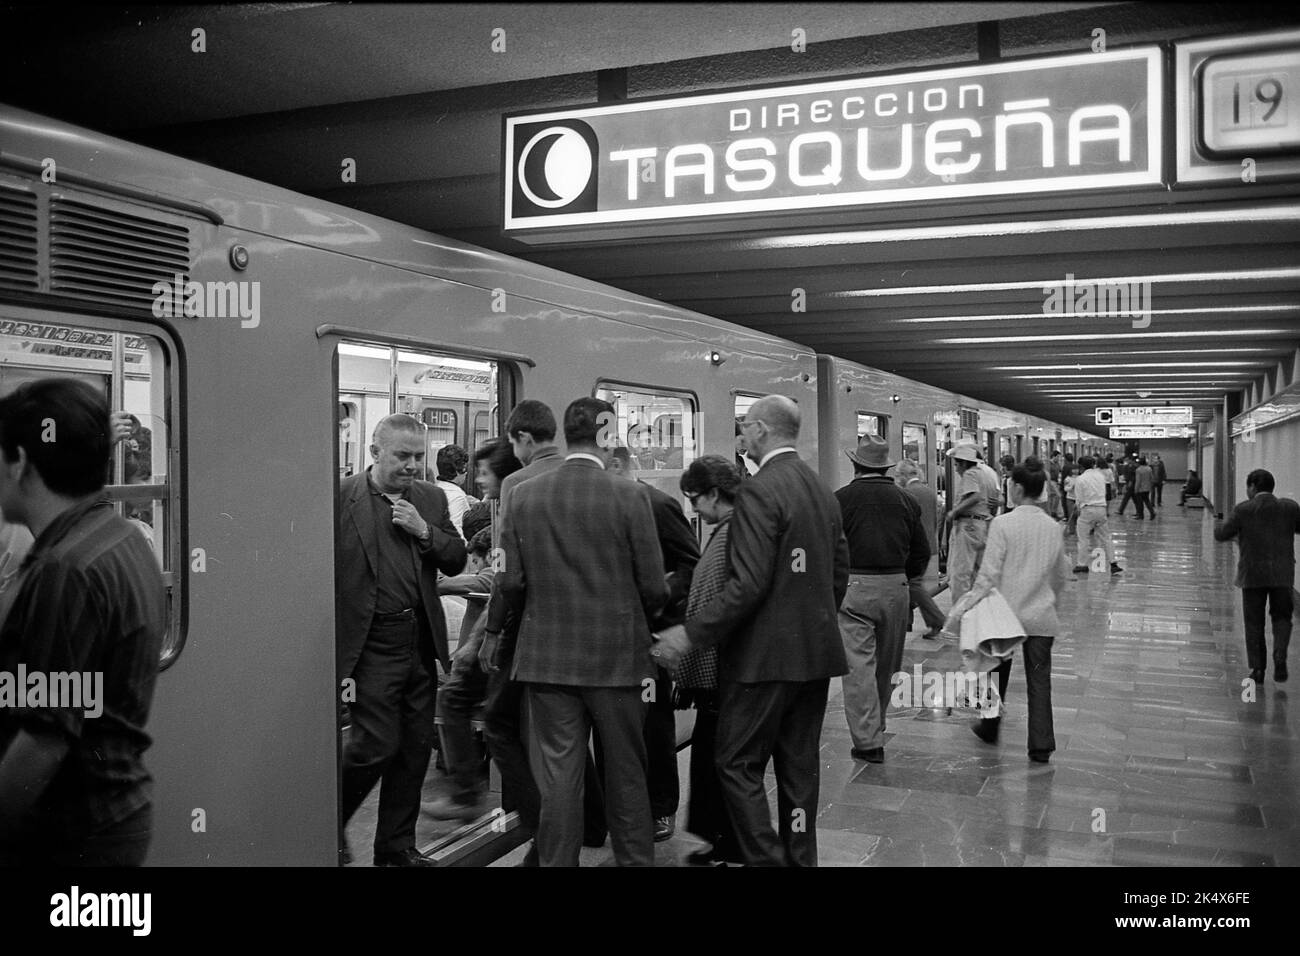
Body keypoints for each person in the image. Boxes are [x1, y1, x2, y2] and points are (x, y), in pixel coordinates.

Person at [654, 395, 849, 867]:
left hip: (763, 661)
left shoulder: (762, 490)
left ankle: (765, 860)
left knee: (736, 763)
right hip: (815, 656)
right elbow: (839, 569)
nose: (741, 435)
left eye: (745, 426)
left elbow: (747, 584)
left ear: (762, 429)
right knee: (799, 772)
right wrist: (812, 619)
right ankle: (801, 860)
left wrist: (689, 634)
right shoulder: (822, 489)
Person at [495, 397, 667, 867]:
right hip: (618, 661)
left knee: (559, 780)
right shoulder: (630, 496)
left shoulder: (523, 496)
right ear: (608, 436)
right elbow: (654, 586)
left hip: (547, 661)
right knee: (628, 775)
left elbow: (508, 580)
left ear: (567, 436)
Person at [0, 379, 166, 866]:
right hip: (114, 814)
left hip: (71, 835)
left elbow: (45, 736)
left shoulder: (65, 569)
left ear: (20, 463)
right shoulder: (121, 537)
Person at [337, 413, 467, 867]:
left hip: (420, 638)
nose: (413, 466)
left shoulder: (429, 499)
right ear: (375, 453)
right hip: (372, 641)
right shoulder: (341, 499)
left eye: (419, 456)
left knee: (413, 749)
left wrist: (424, 531)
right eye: (402, 456)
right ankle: (328, 822)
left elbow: (455, 558)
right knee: (374, 744)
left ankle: (395, 849)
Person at [478, 400, 566, 863]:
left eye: (513, 441)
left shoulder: (517, 483)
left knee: (497, 719)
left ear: (525, 439)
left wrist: (492, 632)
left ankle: (537, 825)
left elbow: (506, 572)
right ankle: (582, 822)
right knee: (563, 736)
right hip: (572, 635)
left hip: (524, 627)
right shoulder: (579, 474)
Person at [603, 446, 699, 842]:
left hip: (649, 630)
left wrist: (657, 592)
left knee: (653, 723)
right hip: (607, 633)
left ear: (618, 464)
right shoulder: (601, 504)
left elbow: (692, 562)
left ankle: (661, 807)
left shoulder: (658, 505)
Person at [945, 462, 1069, 763]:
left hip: (1005, 618)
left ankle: (990, 727)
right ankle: (1041, 745)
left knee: (993, 673)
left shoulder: (1003, 524)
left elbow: (988, 575)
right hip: (1041, 616)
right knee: (1040, 682)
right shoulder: (1053, 527)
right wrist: (1053, 602)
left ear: (1016, 489)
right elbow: (1059, 576)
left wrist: (966, 605)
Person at [834, 435, 929, 763]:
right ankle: (879, 724)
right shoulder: (907, 501)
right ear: (885, 466)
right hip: (895, 587)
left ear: (856, 464)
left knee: (858, 666)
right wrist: (907, 581)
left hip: (855, 586)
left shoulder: (840, 499)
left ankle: (868, 741)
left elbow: (829, 549)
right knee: (887, 665)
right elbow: (921, 553)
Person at [674, 455, 744, 866]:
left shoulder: (733, 533)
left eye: (696, 498)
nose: (694, 507)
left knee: (718, 761)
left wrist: (687, 637)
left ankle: (727, 843)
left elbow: (723, 599)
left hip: (721, 671)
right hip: (719, 669)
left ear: (715, 494)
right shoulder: (729, 530)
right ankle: (721, 841)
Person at [427, 527, 498, 822]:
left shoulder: (493, 571)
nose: (479, 477)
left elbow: (489, 579)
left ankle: (466, 790)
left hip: (484, 658)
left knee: (448, 695)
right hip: (477, 659)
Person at [1213, 469, 1300, 684]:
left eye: (1247, 486)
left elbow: (1223, 534)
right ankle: (1280, 654)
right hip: (1283, 574)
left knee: (1254, 622)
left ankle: (1258, 670)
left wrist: (1219, 526)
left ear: (1252, 487)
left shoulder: (1244, 509)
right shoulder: (1289, 507)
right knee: (1282, 617)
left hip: (1252, 575)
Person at [895, 459, 945, 639]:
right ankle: (906, 623)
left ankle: (936, 620)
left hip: (913, 548)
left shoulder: (906, 493)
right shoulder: (930, 493)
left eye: (898, 475)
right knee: (908, 583)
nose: (897, 479)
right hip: (929, 545)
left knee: (913, 585)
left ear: (906, 475)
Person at [945, 442, 997, 606]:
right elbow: (997, 499)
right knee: (977, 572)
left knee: (960, 574)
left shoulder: (970, 475)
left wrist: (954, 512)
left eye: (957, 464)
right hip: (982, 526)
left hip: (968, 525)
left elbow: (974, 496)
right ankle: (979, 608)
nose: (955, 469)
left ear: (964, 463)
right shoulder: (987, 475)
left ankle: (960, 615)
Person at [1072, 456, 1122, 575]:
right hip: (1101, 509)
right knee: (1106, 537)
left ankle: (1082, 564)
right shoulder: (1101, 476)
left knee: (1083, 538)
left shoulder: (1080, 479)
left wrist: (1077, 508)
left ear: (1081, 466)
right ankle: (1113, 563)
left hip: (1087, 510)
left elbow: (1078, 499)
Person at [434, 444, 471, 539]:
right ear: (460, 470)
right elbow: (456, 533)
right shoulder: (457, 496)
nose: (466, 472)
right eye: (465, 467)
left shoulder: (434, 490)